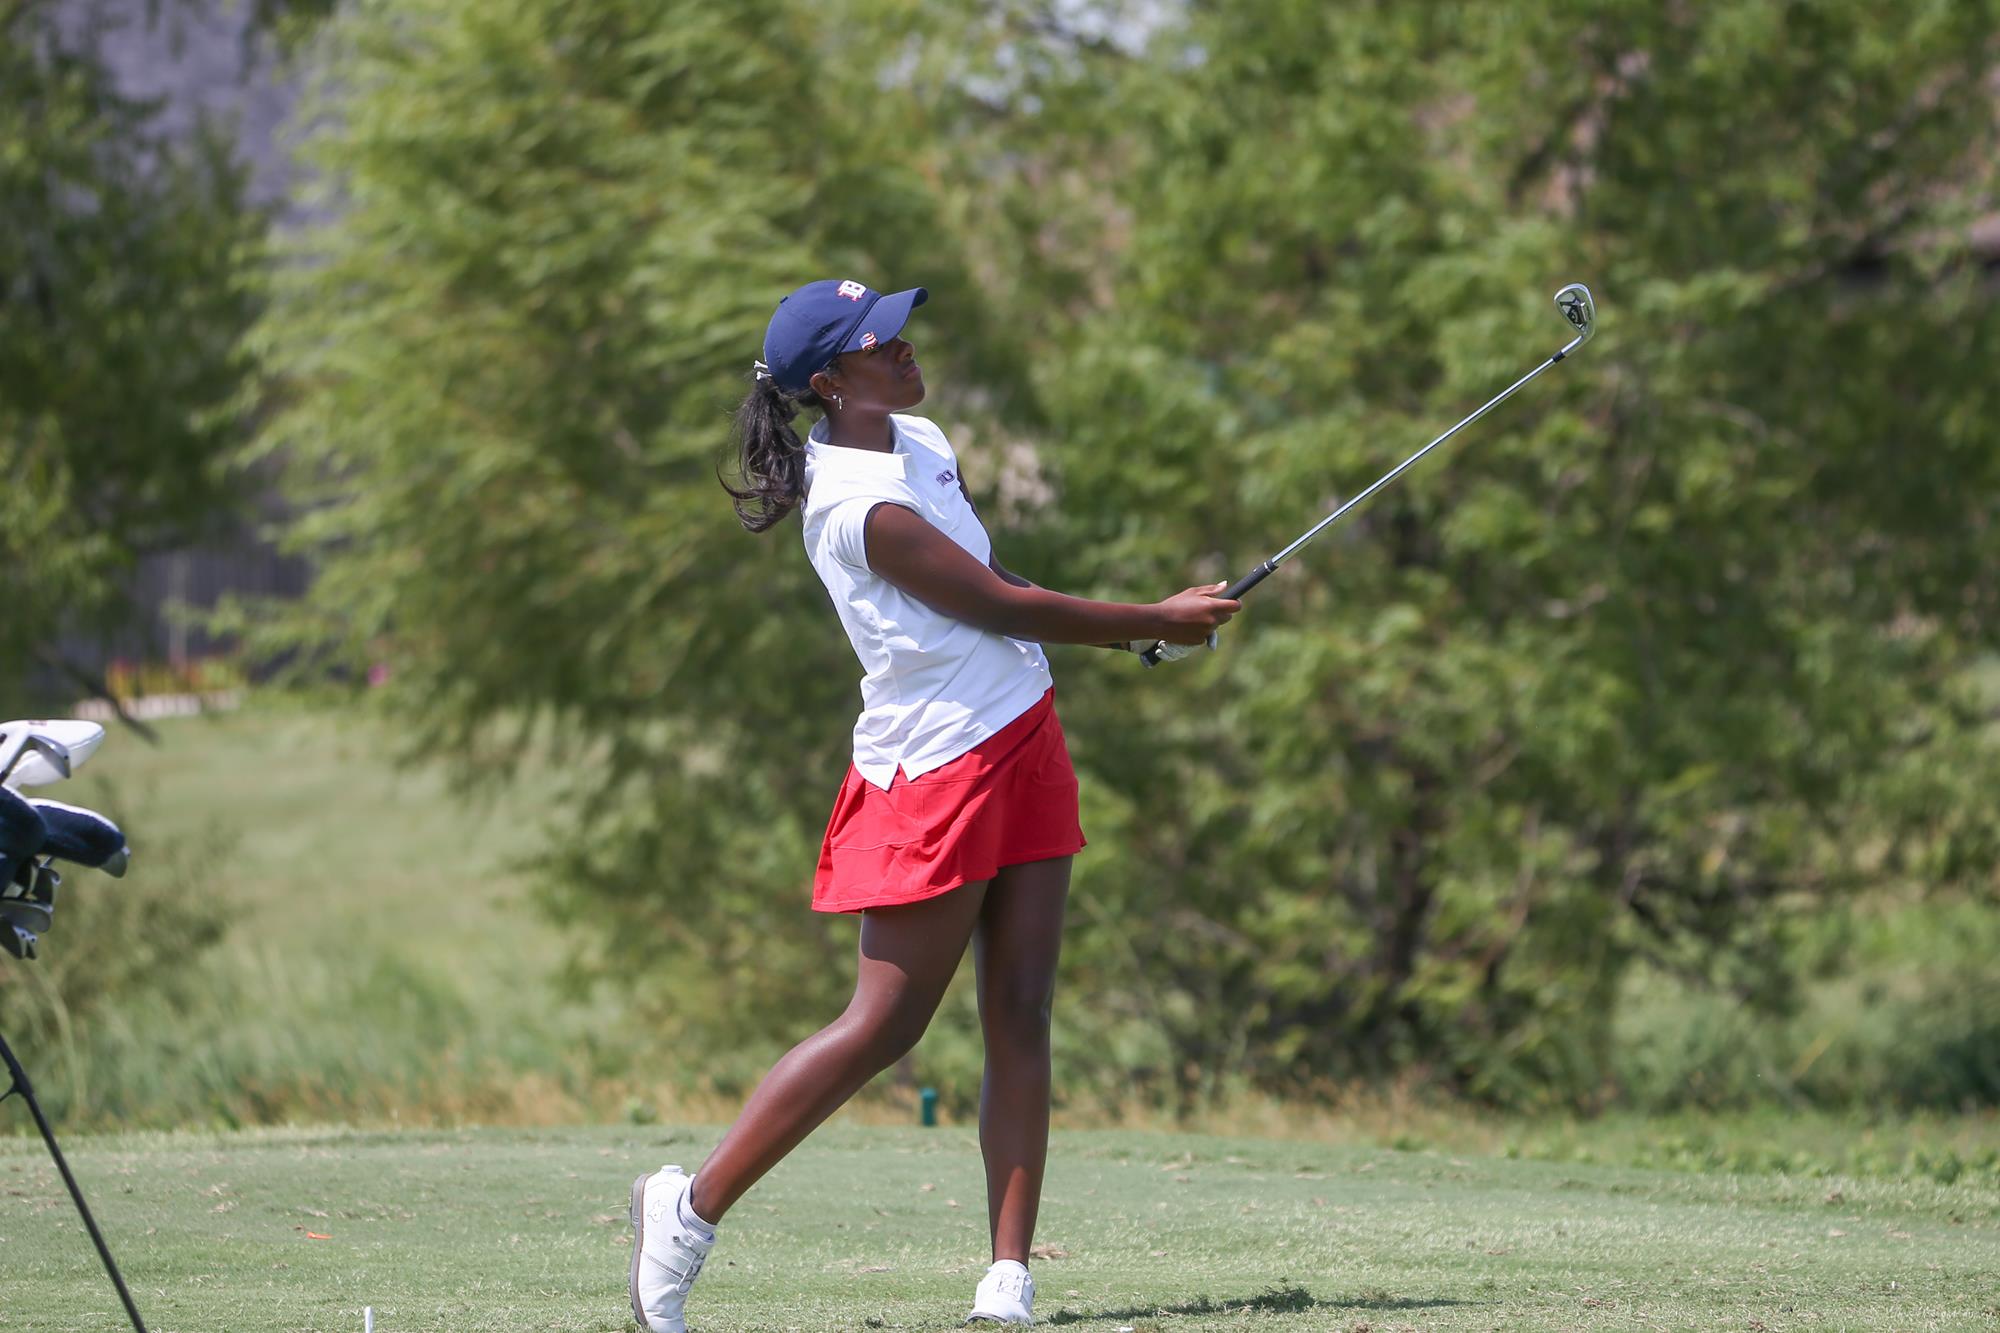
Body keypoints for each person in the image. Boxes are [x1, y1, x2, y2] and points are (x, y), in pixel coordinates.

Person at [628, 279, 1239, 1331]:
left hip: (1024, 733)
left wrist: (1118, 633)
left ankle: (1007, 1277)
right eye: (881, 344)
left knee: (1021, 1008)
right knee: (884, 1025)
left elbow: (989, 573)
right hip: (938, 769)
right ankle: (685, 1210)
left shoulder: (919, 436)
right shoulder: (856, 509)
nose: (905, 349)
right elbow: (994, 602)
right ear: (828, 381)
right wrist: (1152, 615)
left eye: (900, 331)